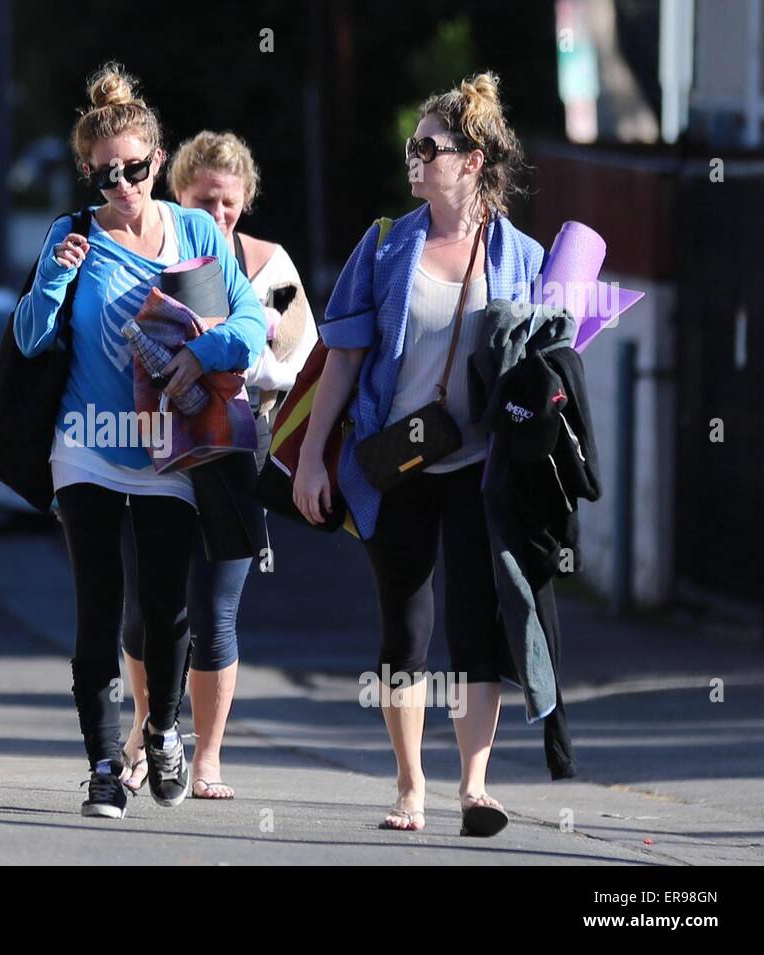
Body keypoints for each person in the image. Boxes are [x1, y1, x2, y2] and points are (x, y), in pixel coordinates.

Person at [14, 63, 266, 819]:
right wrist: (54, 283)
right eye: (103, 175)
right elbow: (28, 339)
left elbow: (251, 325)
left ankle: (162, 729)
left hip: (170, 450)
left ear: (157, 163)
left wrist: (204, 354)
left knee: (165, 609)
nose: (119, 186)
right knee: (98, 607)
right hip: (86, 445)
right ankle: (99, 763)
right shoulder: (74, 235)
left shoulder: (193, 232)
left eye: (131, 170)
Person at [294, 73, 543, 836]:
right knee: (405, 627)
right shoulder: (385, 244)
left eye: (428, 146)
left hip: (480, 465)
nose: (415, 157)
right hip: (396, 462)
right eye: (412, 145)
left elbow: (545, 363)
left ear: (471, 161)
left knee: (479, 624)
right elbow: (340, 359)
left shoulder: (521, 255)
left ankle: (475, 786)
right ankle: (410, 787)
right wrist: (311, 459)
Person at [118, 131, 317, 799]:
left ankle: (207, 759)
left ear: (246, 202)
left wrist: (229, 352)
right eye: (207, 199)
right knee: (147, 607)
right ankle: (152, 727)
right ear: (180, 193)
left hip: (234, 451)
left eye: (231, 202)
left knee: (215, 609)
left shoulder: (269, 267)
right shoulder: (145, 250)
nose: (220, 213)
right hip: (151, 453)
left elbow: (299, 361)